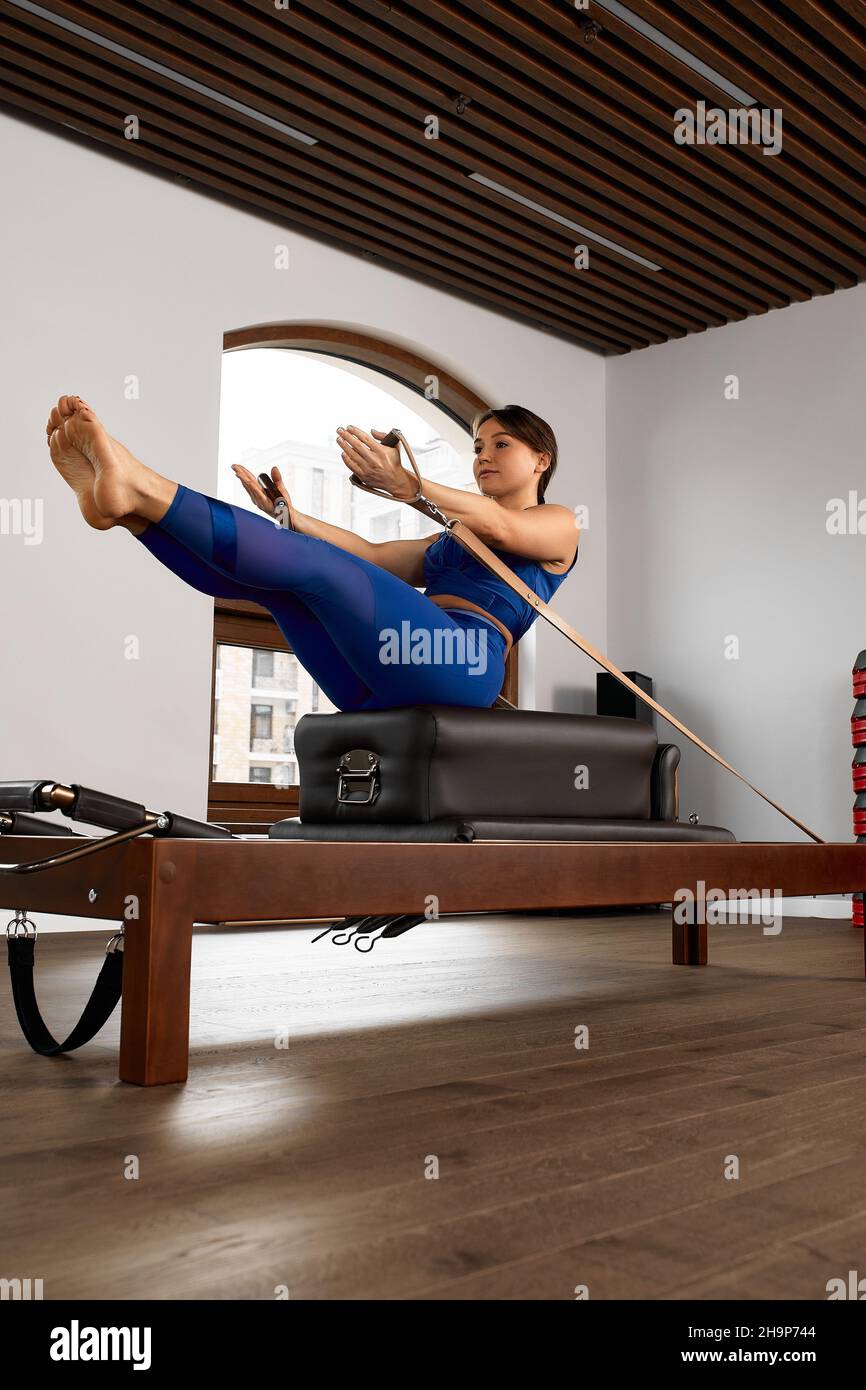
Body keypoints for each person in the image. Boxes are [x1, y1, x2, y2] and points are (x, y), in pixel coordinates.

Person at [45, 395, 579, 711]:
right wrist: (295, 521)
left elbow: (504, 527)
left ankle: (143, 488)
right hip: (379, 684)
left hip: (462, 665)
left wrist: (409, 484)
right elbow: (371, 555)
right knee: (282, 589)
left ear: (541, 461)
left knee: (321, 569)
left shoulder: (558, 525)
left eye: (501, 444)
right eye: (478, 448)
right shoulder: (451, 539)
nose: (483, 455)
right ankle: (135, 515)